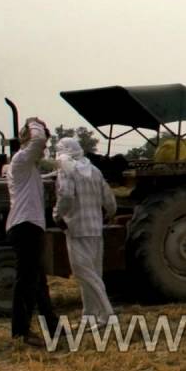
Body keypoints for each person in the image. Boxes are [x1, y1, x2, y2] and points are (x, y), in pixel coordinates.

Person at [53, 137, 117, 328]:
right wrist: (110, 214)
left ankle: (107, 315)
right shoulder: (94, 171)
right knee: (93, 275)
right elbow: (109, 199)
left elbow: (66, 195)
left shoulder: (67, 170)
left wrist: (57, 215)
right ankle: (89, 317)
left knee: (85, 275)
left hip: (77, 229)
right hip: (95, 229)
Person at [7, 117, 59, 348]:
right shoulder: (21, 159)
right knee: (27, 282)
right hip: (26, 226)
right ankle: (20, 332)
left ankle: (53, 327)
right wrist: (34, 124)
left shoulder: (28, 167)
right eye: (43, 143)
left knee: (38, 282)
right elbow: (37, 140)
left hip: (29, 226)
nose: (44, 147)